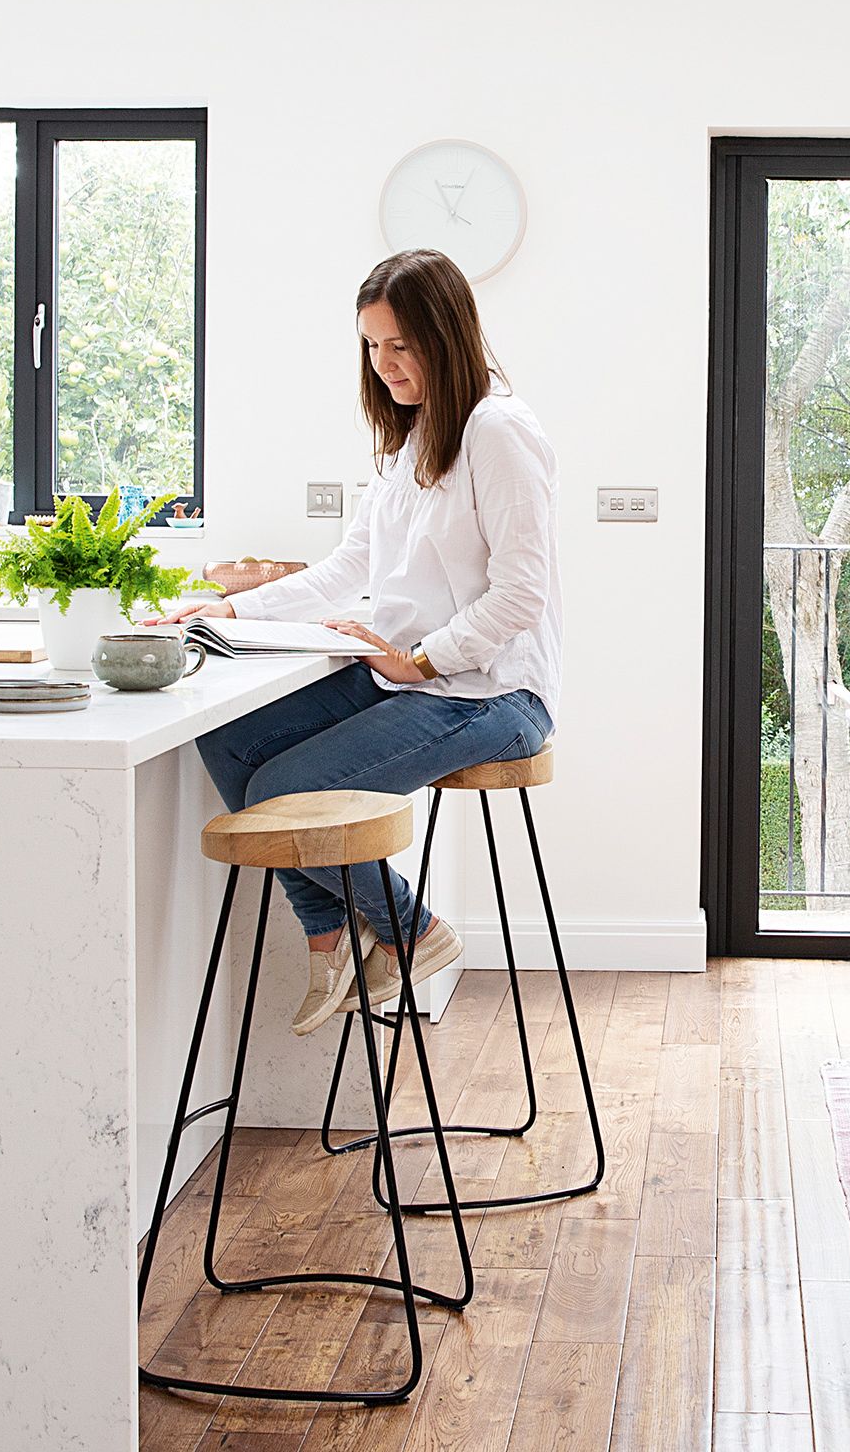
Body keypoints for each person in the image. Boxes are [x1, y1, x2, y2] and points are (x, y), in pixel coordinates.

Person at [152, 249, 560, 1035]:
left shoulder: (499, 431)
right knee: (229, 739)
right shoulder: (411, 440)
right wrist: (227, 611)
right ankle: (332, 934)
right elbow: (347, 569)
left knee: (283, 789)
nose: (385, 364)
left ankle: (412, 931)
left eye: (401, 345)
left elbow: (521, 594)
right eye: (373, 345)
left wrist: (422, 658)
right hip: (406, 677)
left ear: (447, 336)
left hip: (492, 692)